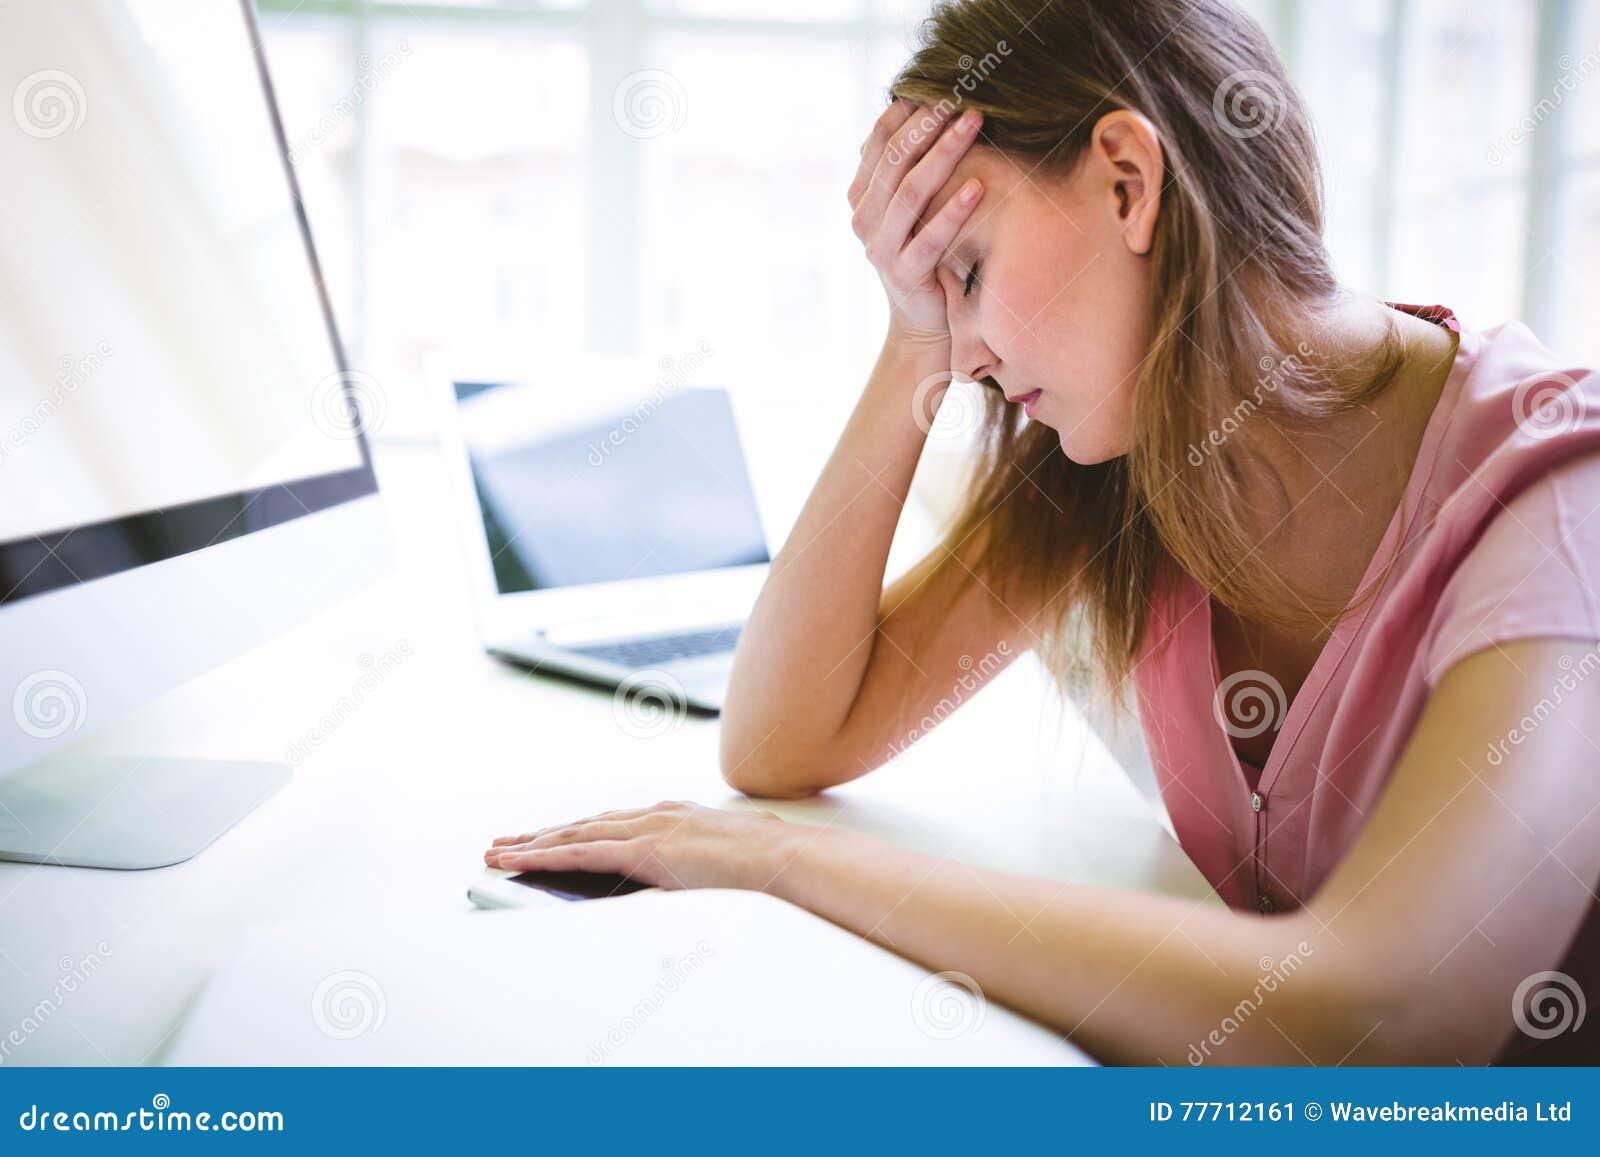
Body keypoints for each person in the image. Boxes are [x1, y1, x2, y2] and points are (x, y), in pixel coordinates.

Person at [485, 0, 1600, 1064]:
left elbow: (1385, 1020)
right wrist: (912, 336)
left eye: (965, 271)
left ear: (1127, 182)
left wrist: (791, 865)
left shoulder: (1560, 483)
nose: (965, 354)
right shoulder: (1134, 465)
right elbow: (782, 738)